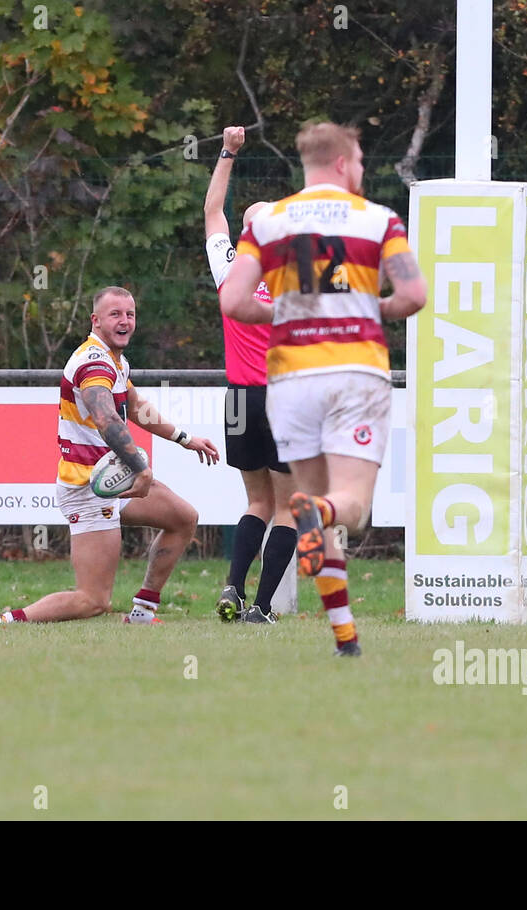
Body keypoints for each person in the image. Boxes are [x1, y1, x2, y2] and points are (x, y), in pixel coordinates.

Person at [219, 122, 427, 656]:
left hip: (289, 378)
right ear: (342, 163)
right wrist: (365, 307)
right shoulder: (380, 220)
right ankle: (322, 519)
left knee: (309, 499)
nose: (361, 170)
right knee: (348, 506)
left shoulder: (265, 222)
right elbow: (413, 296)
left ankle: (345, 637)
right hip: (354, 372)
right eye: (359, 161)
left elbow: (235, 301)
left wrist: (286, 311)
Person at [0, 287, 219, 624]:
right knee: (93, 601)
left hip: (113, 478)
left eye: (130, 314)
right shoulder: (94, 363)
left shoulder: (116, 360)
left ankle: (143, 613)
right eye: (115, 314)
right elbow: (107, 419)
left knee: (183, 518)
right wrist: (140, 468)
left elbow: (136, 408)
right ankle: (8, 623)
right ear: (95, 321)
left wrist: (185, 439)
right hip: (89, 486)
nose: (125, 321)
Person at [203, 125, 297, 625]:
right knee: (287, 507)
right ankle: (260, 609)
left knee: (255, 501)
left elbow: (211, 211)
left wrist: (227, 153)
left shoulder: (229, 269)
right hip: (282, 398)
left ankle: (233, 586)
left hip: (238, 398)